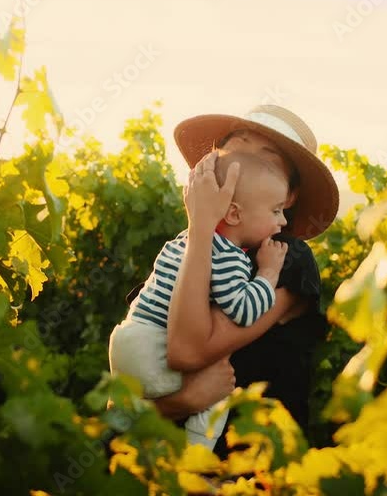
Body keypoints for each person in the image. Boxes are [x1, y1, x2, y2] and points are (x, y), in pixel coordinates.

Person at [142, 105, 340, 453]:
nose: (244, 164)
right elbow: (128, 394)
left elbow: (187, 351)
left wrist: (201, 227)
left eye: (266, 160)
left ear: (289, 195)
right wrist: (180, 402)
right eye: (237, 149)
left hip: (250, 466)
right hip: (164, 461)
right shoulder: (182, 247)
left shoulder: (285, 257)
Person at [109, 152, 292, 449]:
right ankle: (196, 461)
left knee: (135, 423)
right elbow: (243, 310)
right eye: (276, 211)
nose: (283, 220)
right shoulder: (229, 255)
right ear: (234, 214)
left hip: (127, 340)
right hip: (154, 348)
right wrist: (268, 274)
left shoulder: (186, 238)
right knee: (216, 392)